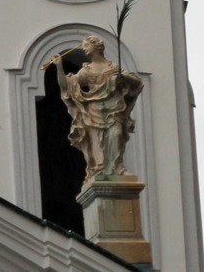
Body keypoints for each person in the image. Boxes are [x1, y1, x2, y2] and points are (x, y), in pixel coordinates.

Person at [46, 35, 143, 181]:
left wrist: (123, 78)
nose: (84, 48)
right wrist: (59, 67)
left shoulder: (113, 68)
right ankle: (101, 168)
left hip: (114, 108)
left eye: (86, 45)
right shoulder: (87, 71)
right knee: (99, 144)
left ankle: (117, 168)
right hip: (93, 111)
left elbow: (136, 82)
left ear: (96, 47)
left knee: (116, 134)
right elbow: (67, 85)